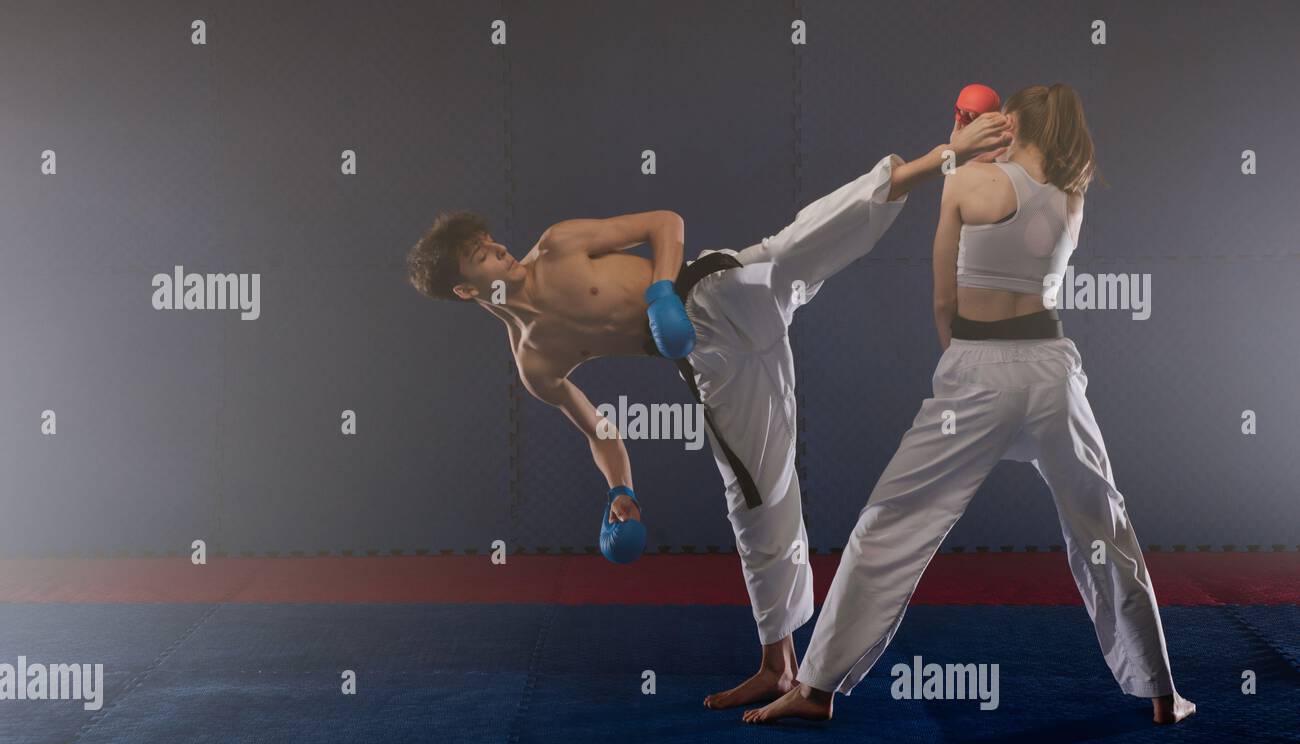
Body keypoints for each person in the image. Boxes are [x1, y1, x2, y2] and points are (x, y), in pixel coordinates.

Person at [405, 114, 1012, 709]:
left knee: (803, 243)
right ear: (465, 290)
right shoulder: (535, 361)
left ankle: (944, 155)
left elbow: (664, 222)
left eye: (486, 240)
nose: (496, 249)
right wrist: (621, 491)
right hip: (711, 363)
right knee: (753, 499)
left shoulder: (559, 245)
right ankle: (779, 666)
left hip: (713, 290)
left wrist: (661, 290)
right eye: (479, 256)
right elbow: (600, 427)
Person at [745, 84, 1196, 726]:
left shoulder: (964, 184)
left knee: (890, 523)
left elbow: (942, 302)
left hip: (977, 371)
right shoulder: (1074, 195)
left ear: (1012, 124)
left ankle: (816, 690)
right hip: (1050, 374)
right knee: (1104, 528)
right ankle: (1160, 693)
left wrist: (959, 371)